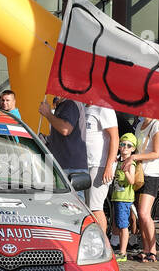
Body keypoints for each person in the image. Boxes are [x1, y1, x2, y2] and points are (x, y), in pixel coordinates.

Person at [130, 116, 159, 263]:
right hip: (140, 173)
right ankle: (145, 249)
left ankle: (153, 250)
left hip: (152, 173)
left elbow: (157, 153)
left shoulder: (157, 125)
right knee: (140, 214)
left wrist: (135, 157)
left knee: (144, 213)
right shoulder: (139, 125)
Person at [83, 103, 119, 236]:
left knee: (96, 207)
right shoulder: (84, 107)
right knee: (87, 208)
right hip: (86, 164)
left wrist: (108, 166)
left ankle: (103, 244)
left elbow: (114, 137)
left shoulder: (103, 107)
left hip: (100, 165)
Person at [110, 133, 142, 262]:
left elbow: (132, 181)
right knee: (118, 224)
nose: (125, 147)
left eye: (129, 146)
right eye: (122, 144)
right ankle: (119, 249)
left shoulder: (130, 164)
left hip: (124, 198)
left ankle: (122, 252)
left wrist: (126, 171)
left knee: (123, 226)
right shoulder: (118, 161)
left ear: (133, 149)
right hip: (117, 197)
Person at [39, 95, 86, 175]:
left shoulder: (71, 103)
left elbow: (65, 129)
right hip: (62, 166)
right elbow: (64, 137)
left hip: (70, 168)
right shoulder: (62, 104)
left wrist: (48, 114)